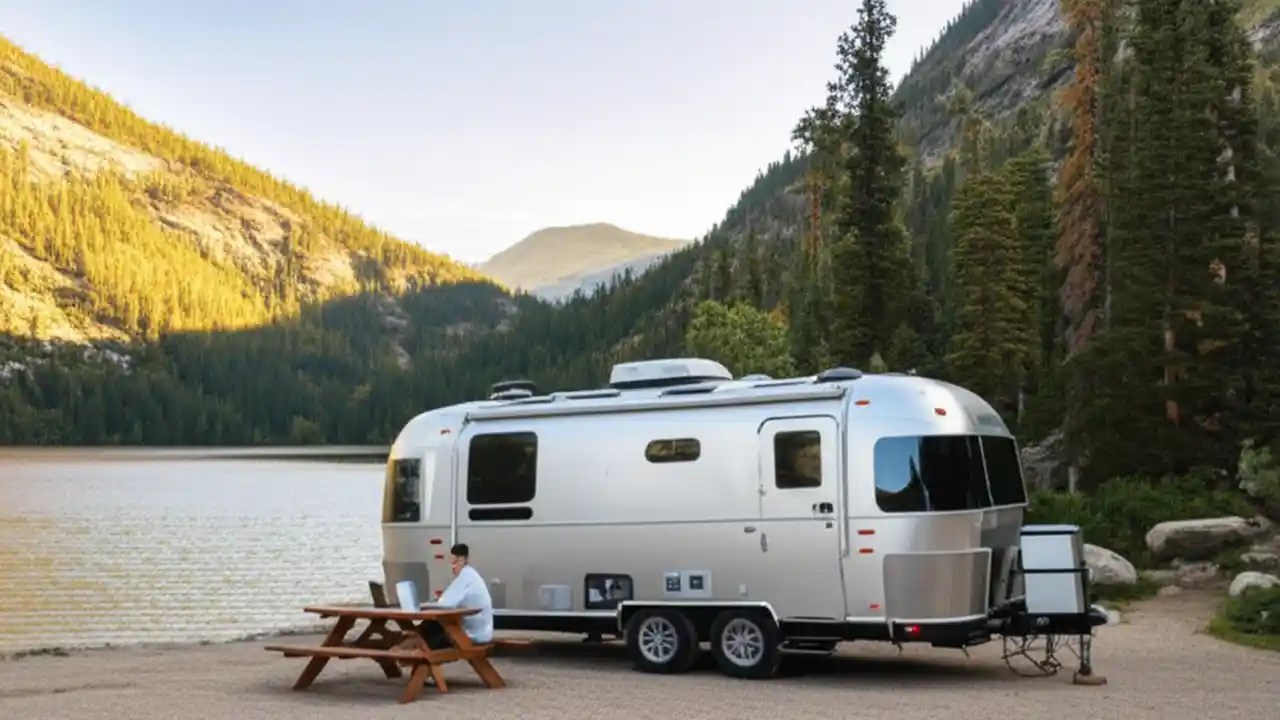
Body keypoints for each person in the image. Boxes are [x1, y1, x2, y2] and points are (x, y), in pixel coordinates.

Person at [417, 542, 493, 649]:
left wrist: (428, 604)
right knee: (429, 628)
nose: (452, 568)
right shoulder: (471, 575)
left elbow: (445, 604)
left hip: (473, 634)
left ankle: (412, 654)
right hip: (480, 631)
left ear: (461, 561)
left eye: (454, 563)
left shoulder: (465, 577)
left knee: (428, 628)